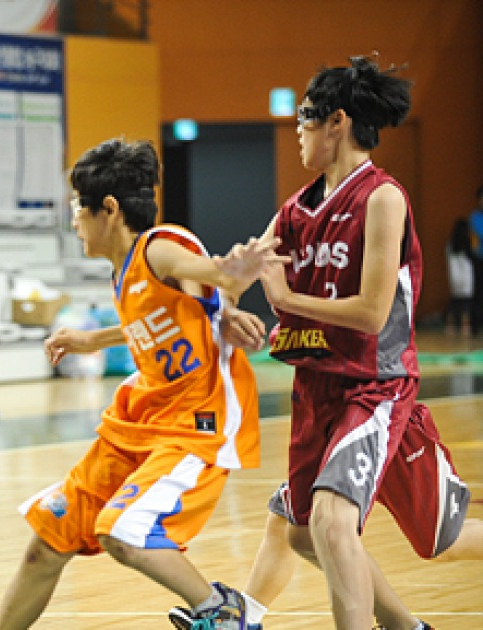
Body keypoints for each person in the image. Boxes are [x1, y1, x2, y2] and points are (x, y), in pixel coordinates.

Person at [182, 56, 474, 630]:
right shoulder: (295, 209)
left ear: (336, 122)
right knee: (308, 528)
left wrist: (288, 301)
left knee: (350, 525)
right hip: (316, 392)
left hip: (376, 390)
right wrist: (225, 306)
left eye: (303, 121)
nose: (296, 133)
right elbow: (239, 273)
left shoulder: (383, 198)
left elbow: (370, 313)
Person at [0, 139, 280, 630]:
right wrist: (92, 340)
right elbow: (160, 315)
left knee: (123, 532)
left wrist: (228, 277)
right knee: (48, 542)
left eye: (76, 211)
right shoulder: (123, 271)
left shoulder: (159, 246)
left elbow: (202, 275)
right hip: (138, 420)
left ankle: (223, 613)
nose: (73, 223)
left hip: (193, 424)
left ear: (107, 209)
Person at [445, 218, 474, 337]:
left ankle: (450, 325)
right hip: (466, 276)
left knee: (455, 301)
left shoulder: (450, 245)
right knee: (466, 302)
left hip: (454, 277)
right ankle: (465, 326)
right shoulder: (467, 244)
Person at [468, 185, 483, 332]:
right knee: (478, 292)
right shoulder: (475, 217)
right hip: (479, 260)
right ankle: (475, 325)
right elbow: (475, 239)